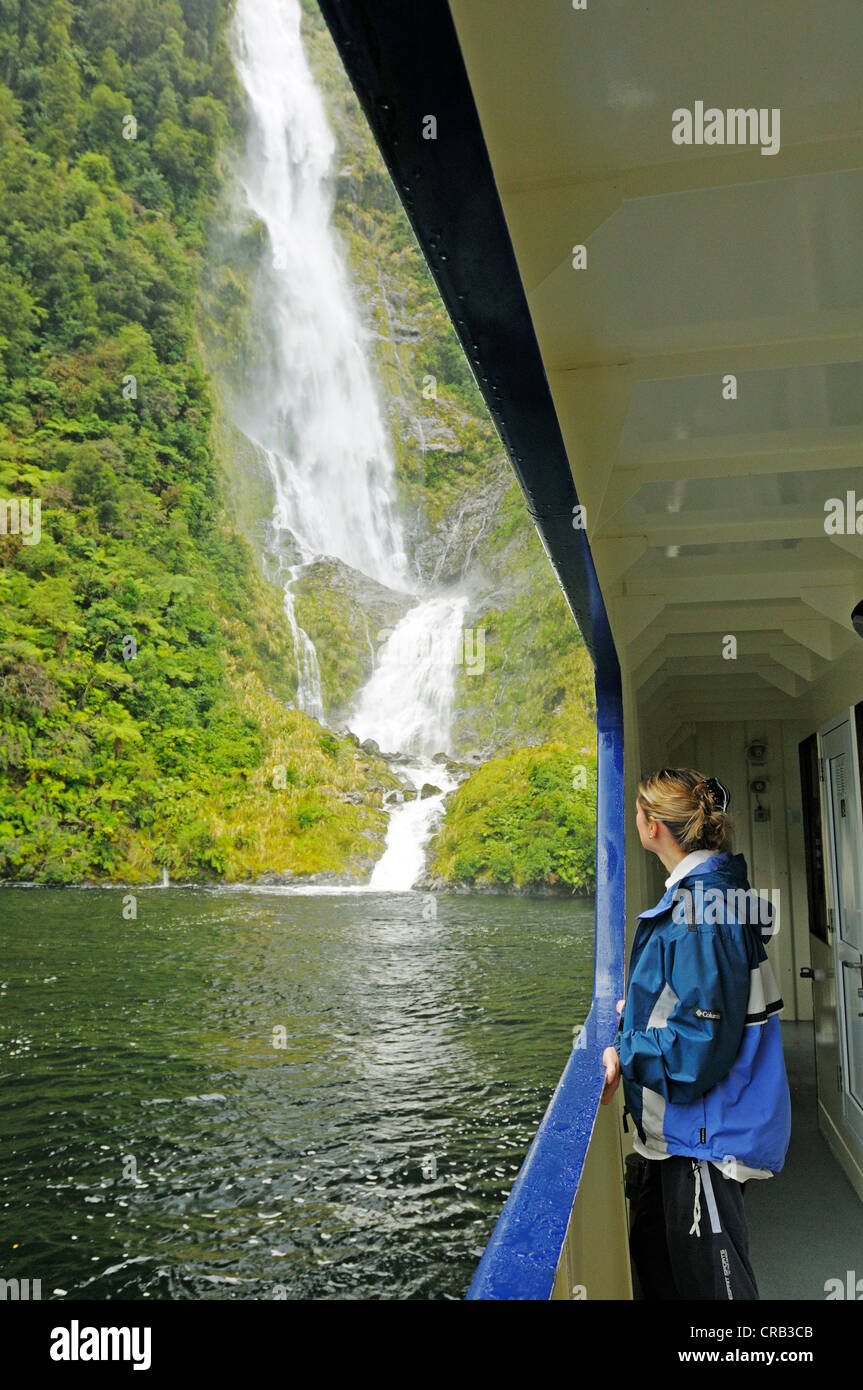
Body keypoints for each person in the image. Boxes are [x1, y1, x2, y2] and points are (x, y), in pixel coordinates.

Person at [600, 767, 791, 1301]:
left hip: (704, 1135)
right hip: (688, 1133)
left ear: (654, 825)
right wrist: (634, 1009)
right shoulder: (712, 893)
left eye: (638, 810)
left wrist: (624, 1050)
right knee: (666, 1267)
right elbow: (696, 998)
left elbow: (696, 1049)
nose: (635, 819)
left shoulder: (698, 913)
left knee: (716, 1295)